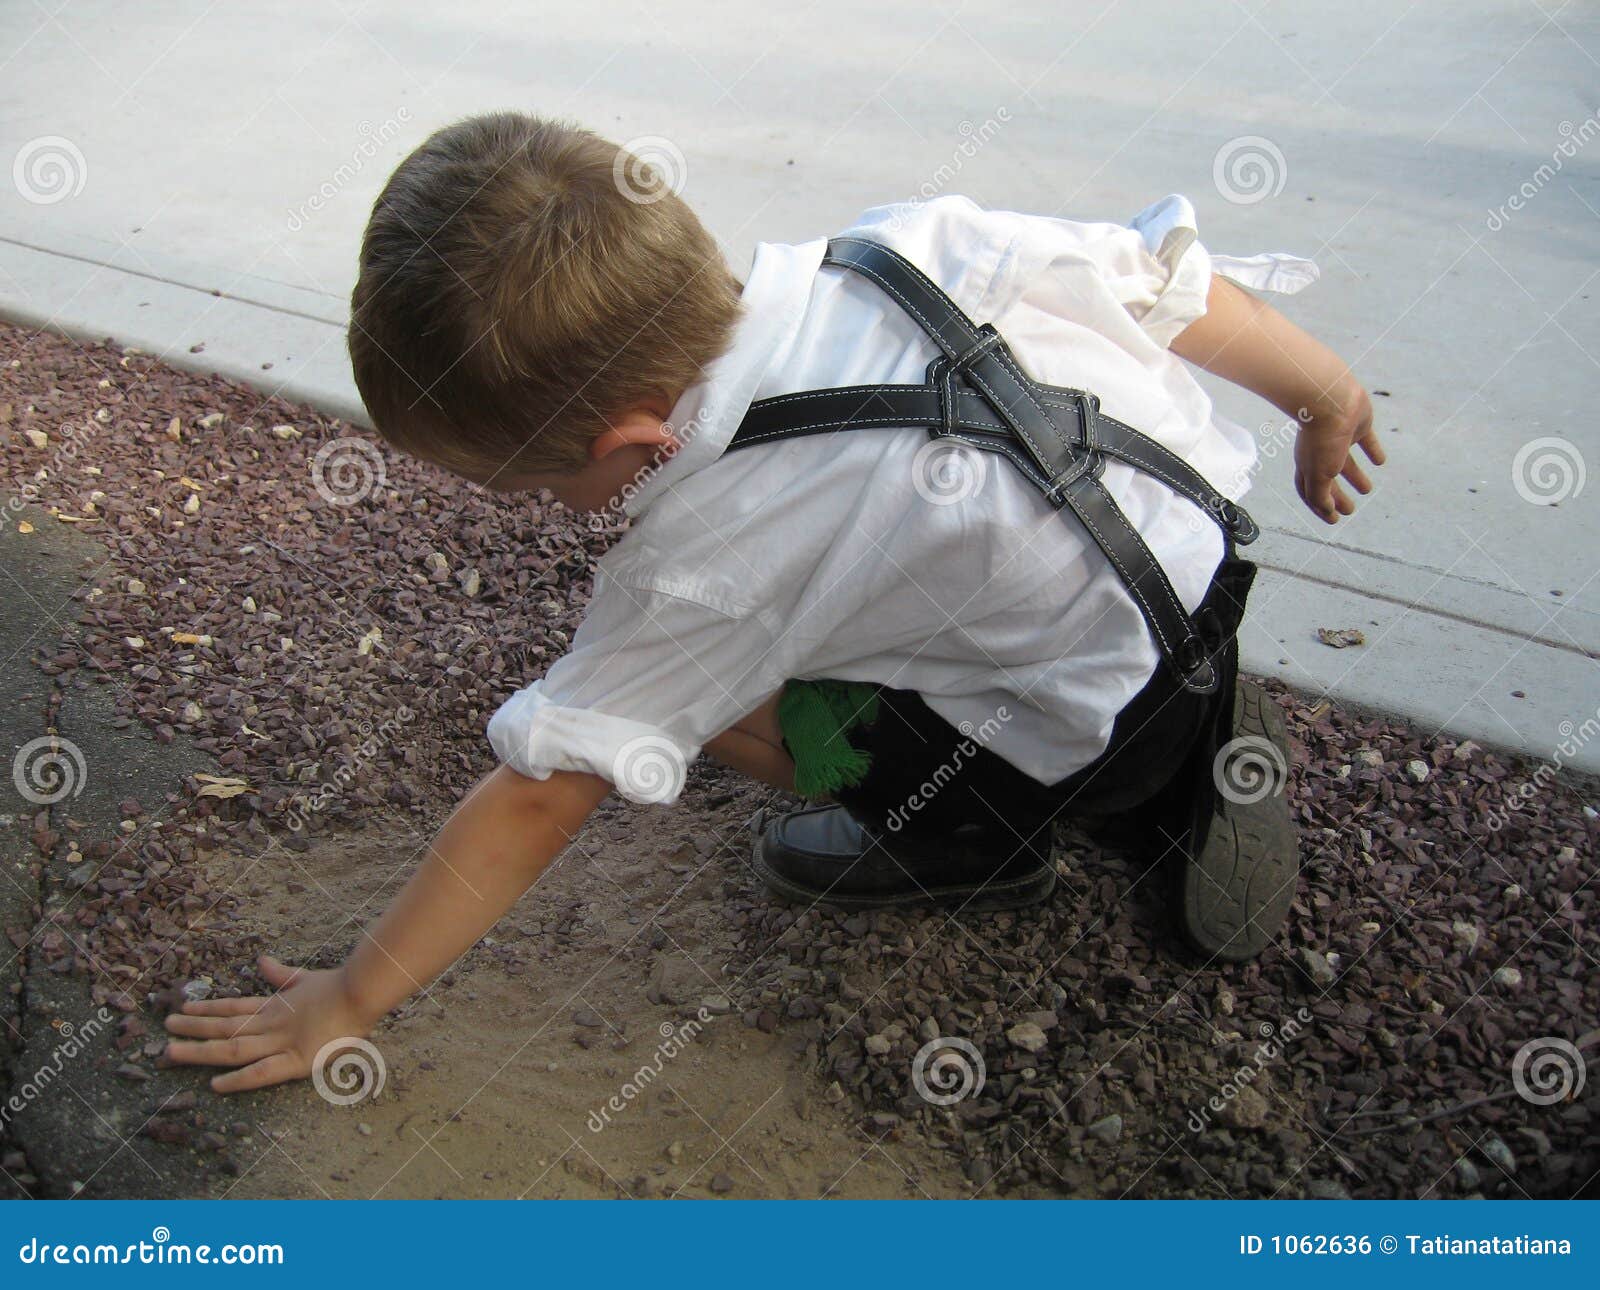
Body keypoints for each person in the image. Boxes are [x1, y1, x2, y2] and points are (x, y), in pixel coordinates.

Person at [165, 114, 1382, 1093]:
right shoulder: (905, 242)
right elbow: (1171, 293)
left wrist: (348, 997)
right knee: (972, 591)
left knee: (708, 703)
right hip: (1197, 564)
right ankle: (1185, 727)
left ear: (634, 441)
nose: (539, 512)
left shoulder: (701, 560)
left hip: (1084, 721)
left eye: (534, 487)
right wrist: (1322, 392)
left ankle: (989, 839)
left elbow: (545, 788)